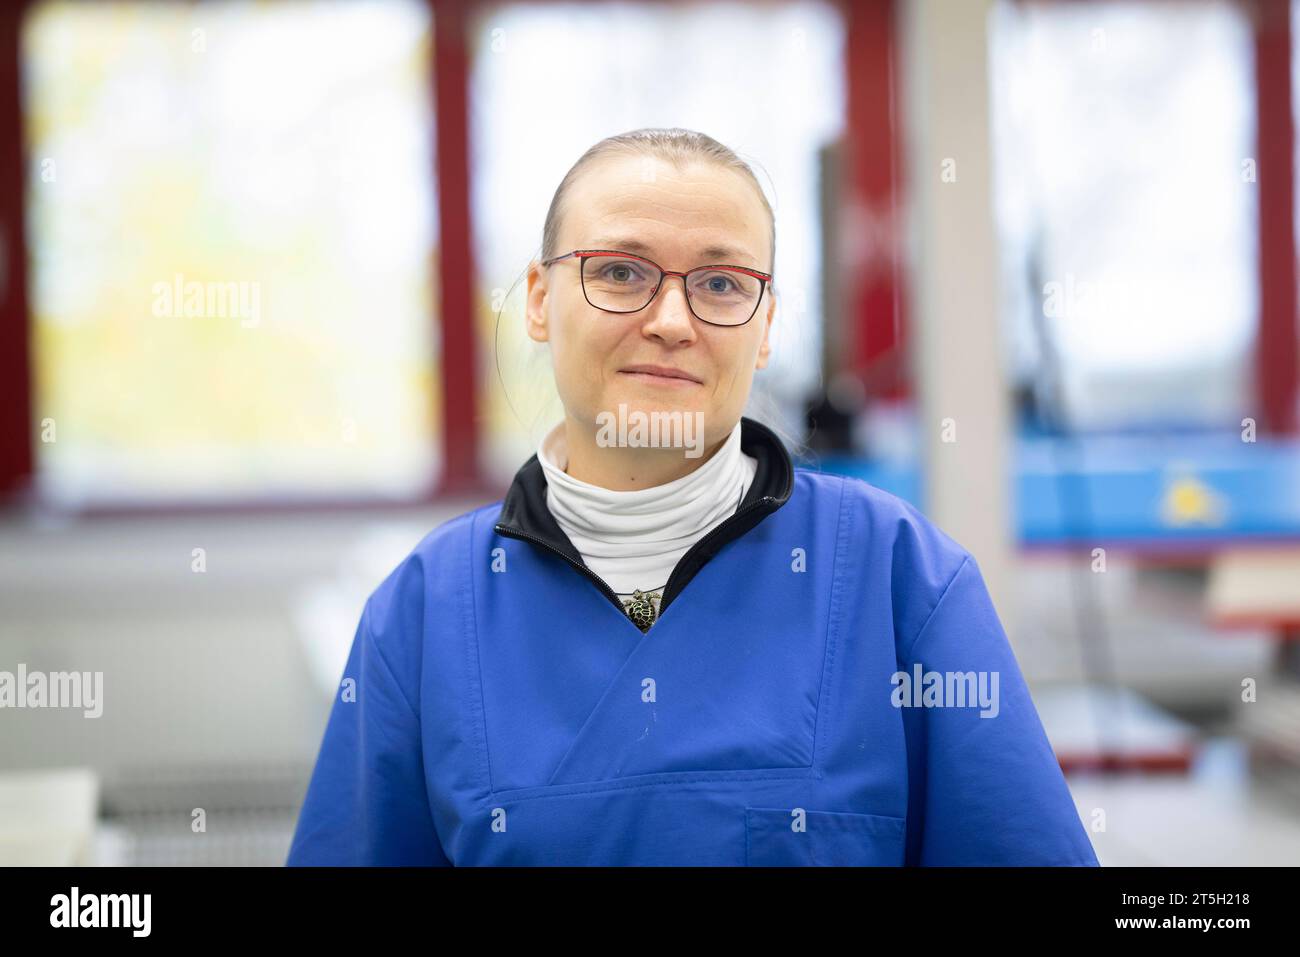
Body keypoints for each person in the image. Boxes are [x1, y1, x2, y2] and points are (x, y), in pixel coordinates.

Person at [286, 127, 1100, 866]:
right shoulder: (425, 613)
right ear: (537, 299)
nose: (672, 319)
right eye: (619, 271)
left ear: (766, 321)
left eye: (720, 282)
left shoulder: (899, 579)